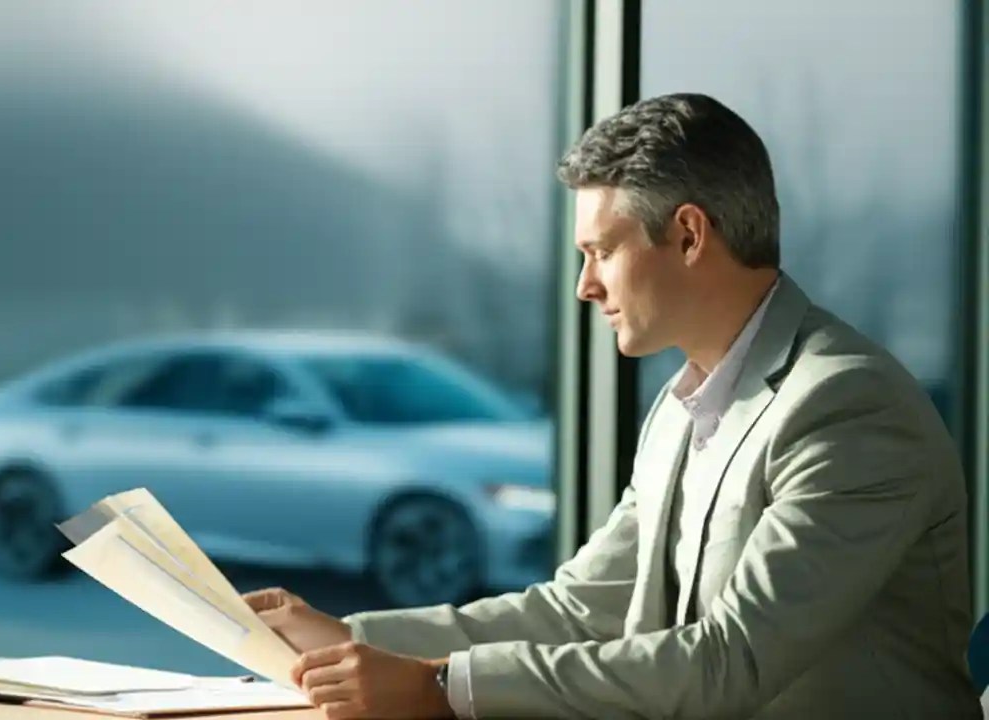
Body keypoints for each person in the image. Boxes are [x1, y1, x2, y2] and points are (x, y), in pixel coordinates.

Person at [241, 93, 981, 719]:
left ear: (688, 234)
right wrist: (345, 638)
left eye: (601, 251)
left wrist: (440, 686)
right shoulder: (683, 405)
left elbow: (733, 659)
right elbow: (578, 608)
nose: (584, 288)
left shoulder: (846, 407)